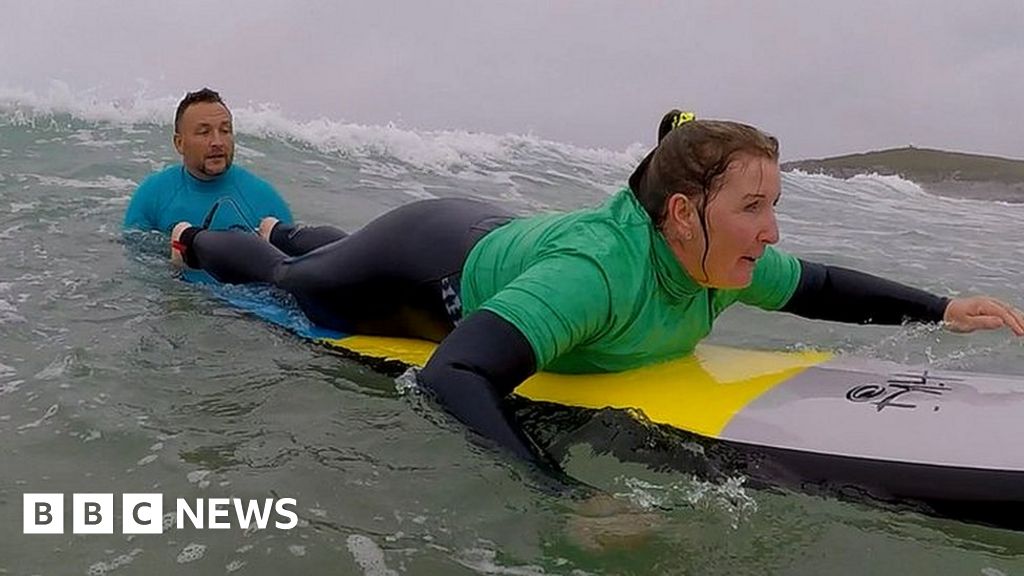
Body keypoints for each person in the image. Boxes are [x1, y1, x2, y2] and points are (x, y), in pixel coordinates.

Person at [166, 111, 1024, 470]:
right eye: (754, 208)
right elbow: (454, 376)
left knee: (317, 251)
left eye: (776, 207)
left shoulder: (724, 259)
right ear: (684, 214)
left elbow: (824, 286)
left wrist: (944, 308)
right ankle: (203, 239)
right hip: (426, 260)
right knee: (295, 286)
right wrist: (562, 494)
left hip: (496, 229)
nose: (771, 233)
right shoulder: (598, 278)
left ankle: (290, 225)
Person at [123, 88, 293, 233]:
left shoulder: (265, 200)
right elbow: (134, 259)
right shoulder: (153, 195)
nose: (217, 142)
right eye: (204, 132)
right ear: (179, 143)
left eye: (225, 130)